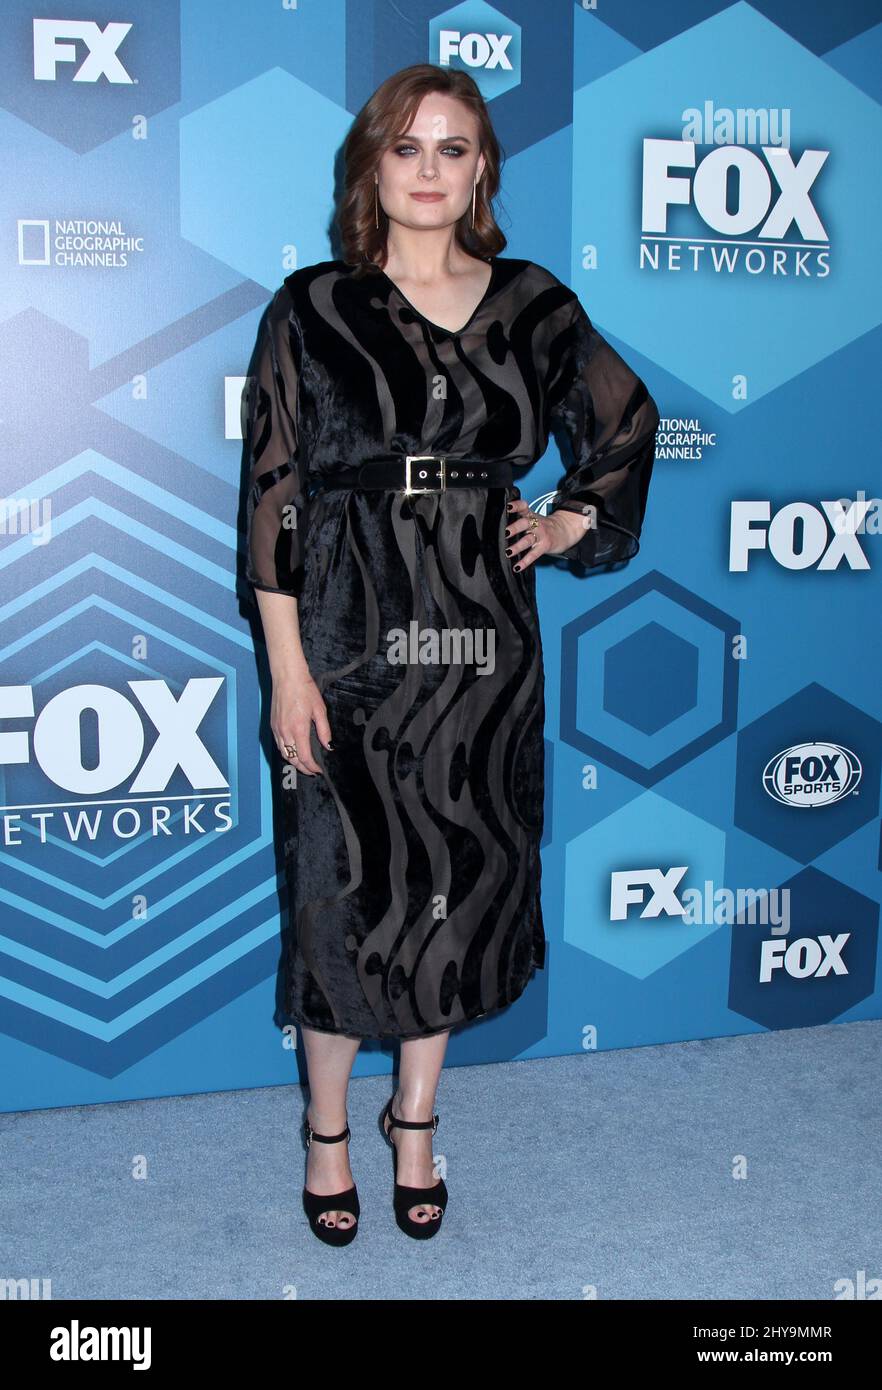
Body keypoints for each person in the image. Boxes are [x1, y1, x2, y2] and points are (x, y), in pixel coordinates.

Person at [242, 63, 659, 1246]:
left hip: (482, 633)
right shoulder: (310, 308)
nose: (431, 170)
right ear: (374, 164)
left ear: (484, 169)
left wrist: (573, 518)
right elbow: (272, 497)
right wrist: (287, 666)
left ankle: (412, 1120)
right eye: (409, 148)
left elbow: (624, 426)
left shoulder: (532, 302)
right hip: (345, 617)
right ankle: (330, 1128)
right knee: (339, 885)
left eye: (455, 149)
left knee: (452, 880)